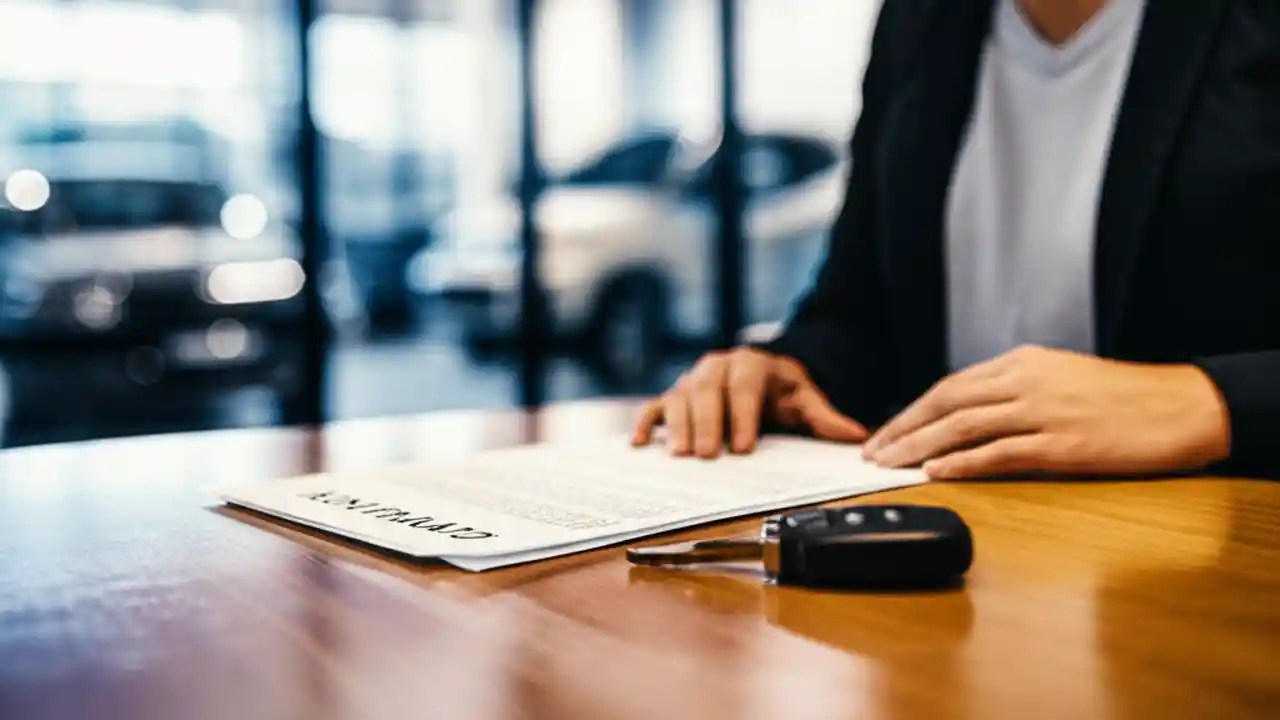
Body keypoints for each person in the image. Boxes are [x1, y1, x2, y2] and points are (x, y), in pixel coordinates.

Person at [633, 0, 1280, 479]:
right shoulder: (920, 23)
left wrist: (1209, 401)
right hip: (956, 546)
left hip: (1201, 560)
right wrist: (785, 371)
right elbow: (858, 313)